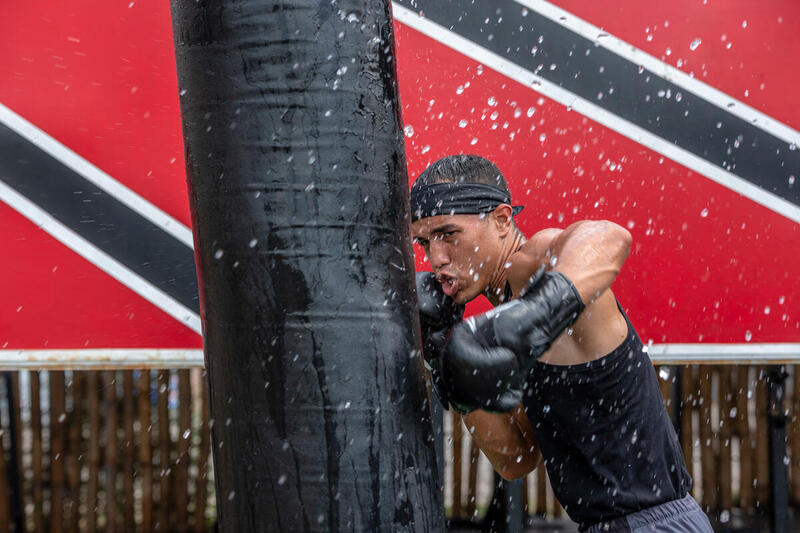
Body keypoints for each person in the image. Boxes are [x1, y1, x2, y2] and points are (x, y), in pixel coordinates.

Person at [413, 155, 713, 532]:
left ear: (503, 220)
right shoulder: (509, 314)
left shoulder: (537, 262)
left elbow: (610, 235)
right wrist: (444, 355)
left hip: (653, 523)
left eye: (448, 234)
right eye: (425, 242)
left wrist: (536, 314)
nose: (435, 258)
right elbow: (517, 458)